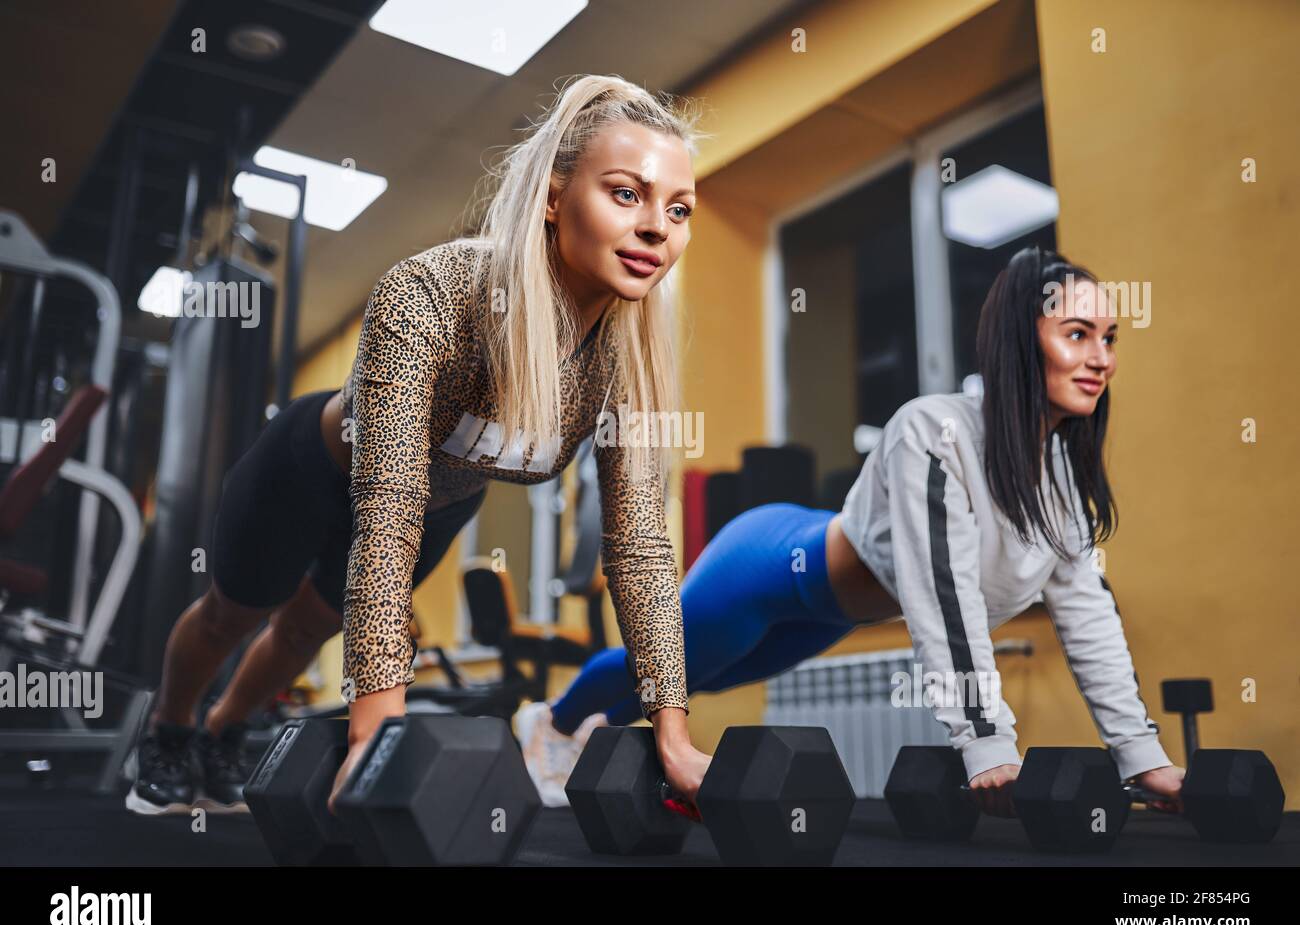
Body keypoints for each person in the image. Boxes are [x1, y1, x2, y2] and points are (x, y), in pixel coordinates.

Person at [129, 74, 712, 815]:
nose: (659, 227)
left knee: (311, 624)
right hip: (315, 472)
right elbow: (388, 506)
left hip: (443, 505)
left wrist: (673, 732)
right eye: (627, 193)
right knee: (233, 614)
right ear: (553, 199)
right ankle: (170, 727)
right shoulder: (434, 295)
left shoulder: (623, 361)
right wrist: (377, 734)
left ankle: (225, 729)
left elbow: (638, 549)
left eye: (680, 208)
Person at [518, 248, 1186, 818]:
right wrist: (986, 742)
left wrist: (1141, 758)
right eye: (1077, 334)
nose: (1101, 357)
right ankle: (552, 721)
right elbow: (945, 595)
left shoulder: (1063, 478)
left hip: (831, 614)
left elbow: (1087, 613)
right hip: (768, 564)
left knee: (705, 681)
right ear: (1020, 341)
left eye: (1110, 337)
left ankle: (597, 727)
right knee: (665, 667)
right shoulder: (935, 430)